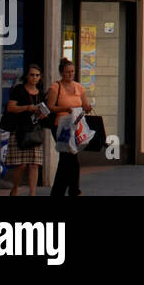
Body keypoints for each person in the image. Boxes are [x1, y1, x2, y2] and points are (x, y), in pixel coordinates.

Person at [46, 58, 92, 196]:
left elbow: (84, 105)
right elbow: (50, 107)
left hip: (76, 125)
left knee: (68, 159)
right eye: (67, 72)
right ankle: (73, 190)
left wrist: (87, 108)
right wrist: (66, 108)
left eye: (72, 71)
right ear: (61, 72)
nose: (70, 74)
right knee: (68, 157)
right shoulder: (55, 87)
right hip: (61, 125)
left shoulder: (79, 87)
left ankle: (63, 191)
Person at [5, 64, 45, 196]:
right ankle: (15, 188)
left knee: (34, 164)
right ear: (27, 76)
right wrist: (27, 107)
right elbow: (10, 108)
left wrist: (42, 114)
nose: (34, 77)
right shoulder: (19, 89)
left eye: (37, 75)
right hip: (19, 131)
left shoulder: (40, 93)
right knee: (20, 165)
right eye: (32, 75)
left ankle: (32, 194)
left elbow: (44, 111)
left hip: (35, 131)